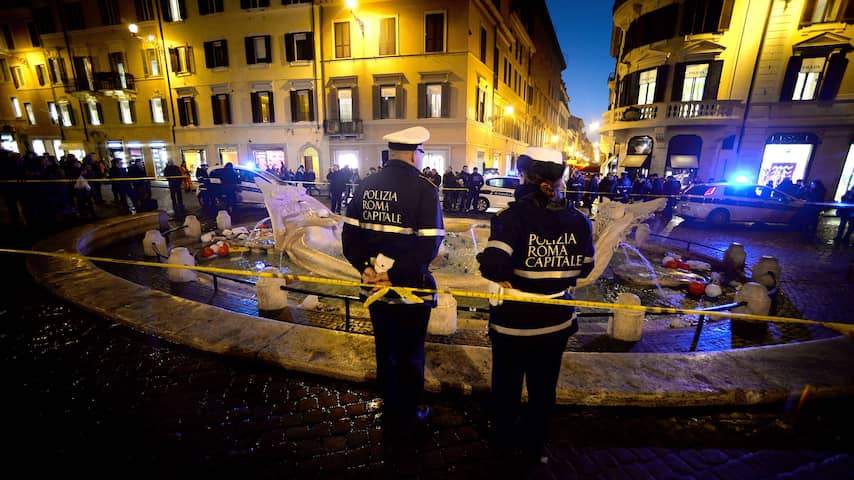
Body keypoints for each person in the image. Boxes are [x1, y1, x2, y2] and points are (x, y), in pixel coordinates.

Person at [476, 146, 595, 465]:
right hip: (557, 321)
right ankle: (535, 442)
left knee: (507, 384)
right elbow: (585, 268)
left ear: (524, 177)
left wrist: (485, 260)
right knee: (544, 387)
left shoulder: (510, 218)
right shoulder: (581, 222)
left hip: (513, 322)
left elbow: (494, 267)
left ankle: (503, 439)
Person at [342, 126, 444, 438]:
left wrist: (367, 269)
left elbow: (348, 237)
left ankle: (389, 403)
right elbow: (430, 246)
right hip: (409, 291)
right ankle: (411, 411)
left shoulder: (366, 184)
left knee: (384, 347)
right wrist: (395, 275)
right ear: (415, 153)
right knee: (410, 351)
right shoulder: (424, 188)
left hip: (374, 290)